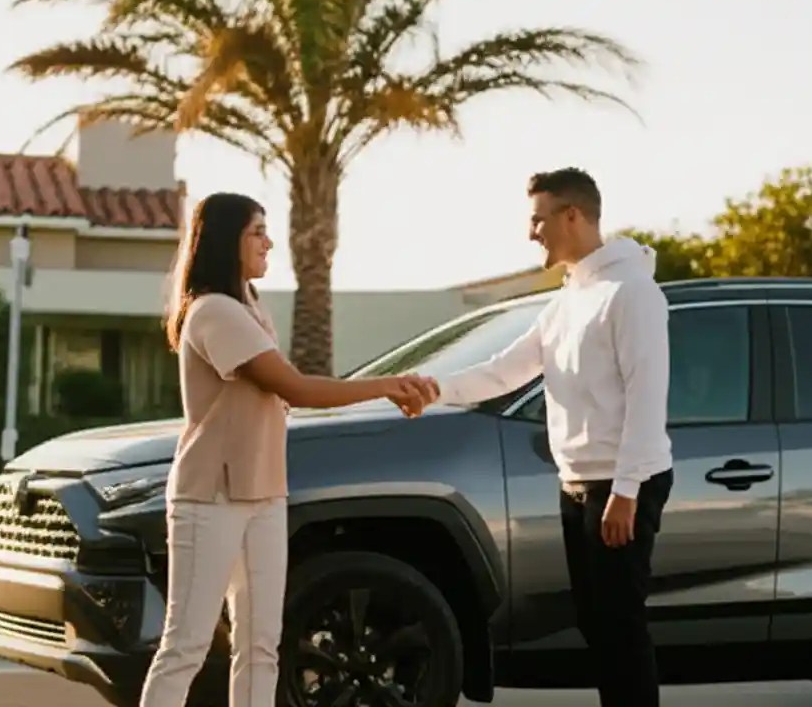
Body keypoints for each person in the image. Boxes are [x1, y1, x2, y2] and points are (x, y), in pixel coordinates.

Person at [138, 192, 436, 707]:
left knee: (260, 645)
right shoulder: (214, 312)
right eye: (257, 231)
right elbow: (296, 388)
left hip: (265, 493)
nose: (268, 241)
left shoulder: (251, 307)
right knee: (185, 644)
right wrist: (386, 385)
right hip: (209, 498)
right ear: (226, 241)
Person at [424, 168, 675, 707]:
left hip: (621, 485)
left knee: (620, 626)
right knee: (597, 623)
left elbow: (647, 397)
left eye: (538, 219)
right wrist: (431, 389)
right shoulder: (569, 298)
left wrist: (627, 491)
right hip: (578, 483)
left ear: (572, 216)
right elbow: (503, 371)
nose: (531, 232)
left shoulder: (631, 292)